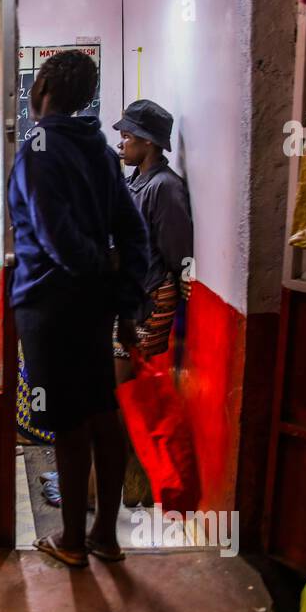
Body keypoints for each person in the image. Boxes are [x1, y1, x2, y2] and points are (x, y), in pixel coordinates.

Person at [7, 50, 149, 567]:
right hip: (93, 307)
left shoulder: (38, 148)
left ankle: (71, 541)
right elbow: (133, 231)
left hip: (50, 304)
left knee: (67, 422)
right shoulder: (100, 150)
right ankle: (106, 537)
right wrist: (123, 296)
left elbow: (53, 237)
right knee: (101, 412)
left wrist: (99, 276)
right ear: (87, 97)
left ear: (40, 87)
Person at [112, 99, 194, 506]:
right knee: (118, 392)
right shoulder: (133, 183)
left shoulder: (165, 187)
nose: (121, 141)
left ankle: (132, 482)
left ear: (149, 142)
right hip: (129, 300)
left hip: (148, 302)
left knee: (122, 392)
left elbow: (176, 255)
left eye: (128, 135)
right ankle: (125, 480)